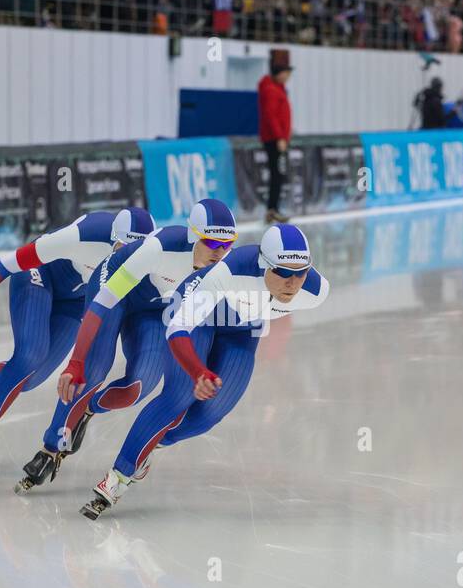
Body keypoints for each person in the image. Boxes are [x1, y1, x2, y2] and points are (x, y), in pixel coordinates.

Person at [80, 224, 330, 519]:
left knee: (209, 415)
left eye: (300, 273)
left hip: (241, 329)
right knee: (178, 395)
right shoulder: (229, 272)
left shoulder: (316, 291)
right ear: (264, 264)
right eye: (283, 273)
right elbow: (177, 329)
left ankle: (150, 444)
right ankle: (118, 477)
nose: (292, 283)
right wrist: (197, 371)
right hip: (197, 314)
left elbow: (286, 293)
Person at [12, 199, 238, 493]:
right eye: (212, 243)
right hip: (114, 291)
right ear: (194, 235)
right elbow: (103, 301)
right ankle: (50, 448)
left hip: (152, 309)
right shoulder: (160, 249)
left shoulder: (224, 271)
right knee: (93, 371)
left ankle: (88, 409)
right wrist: (76, 361)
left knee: (137, 388)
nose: (220, 253)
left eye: (228, 244)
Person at [0, 206, 156, 472]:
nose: (128, 261)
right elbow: (8, 263)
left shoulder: (151, 256)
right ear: (115, 240)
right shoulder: (82, 236)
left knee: (28, 381)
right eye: (123, 252)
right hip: (39, 275)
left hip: (76, 302)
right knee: (31, 355)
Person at [257, 62, 293, 224]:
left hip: (276, 138)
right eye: (286, 73)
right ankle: (272, 209)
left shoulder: (277, 89)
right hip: (274, 140)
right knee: (277, 174)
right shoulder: (271, 90)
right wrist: (280, 138)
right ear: (279, 73)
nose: (288, 77)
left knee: (277, 174)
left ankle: (273, 209)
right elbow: (271, 116)